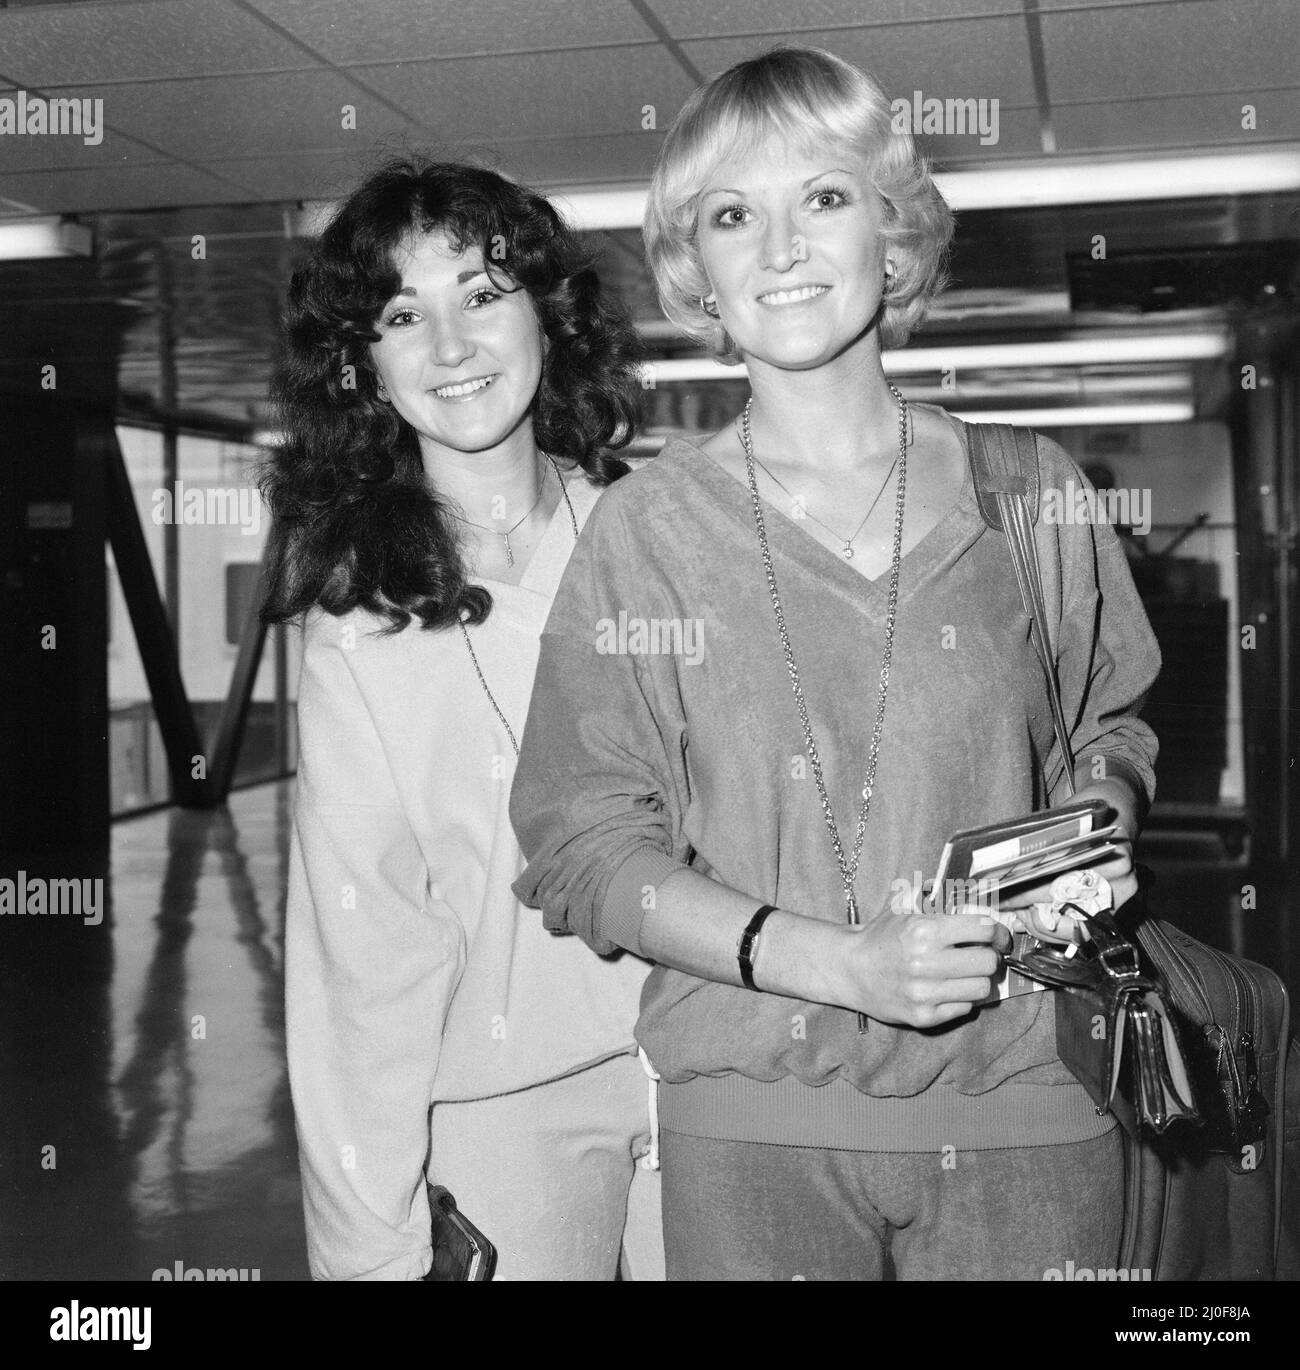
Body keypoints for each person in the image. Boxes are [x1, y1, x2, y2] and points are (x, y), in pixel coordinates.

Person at [510, 48, 1161, 1281]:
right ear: (694, 270)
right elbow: (582, 846)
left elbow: (1108, 728)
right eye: (729, 215)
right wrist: (841, 961)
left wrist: (1090, 827)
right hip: (756, 1127)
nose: (780, 248)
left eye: (822, 195)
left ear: (893, 231)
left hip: (1027, 1102)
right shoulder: (646, 533)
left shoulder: (1032, 494)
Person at [262, 157, 663, 1280]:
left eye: (481, 294)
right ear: (361, 365)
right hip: (501, 1105)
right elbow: (363, 958)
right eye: (402, 314)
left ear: (547, 313)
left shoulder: (661, 540)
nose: (450, 346)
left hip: (708, 1062)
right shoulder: (360, 629)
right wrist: (371, 1244)